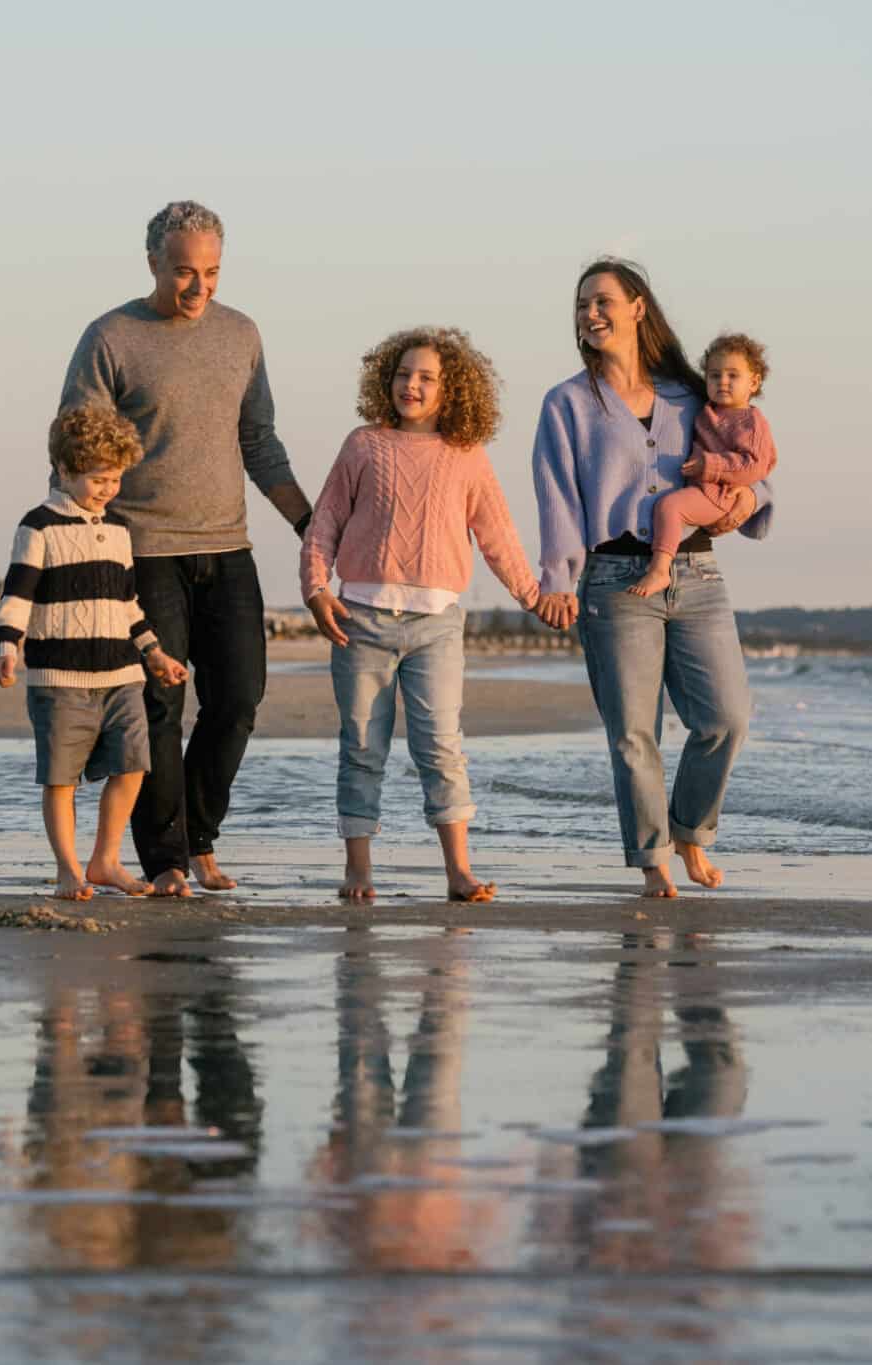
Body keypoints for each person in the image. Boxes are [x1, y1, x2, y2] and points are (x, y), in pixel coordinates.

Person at [59, 200, 313, 898]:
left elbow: (259, 441)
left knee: (239, 697)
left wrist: (308, 522)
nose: (198, 288)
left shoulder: (242, 336)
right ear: (152, 264)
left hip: (228, 547)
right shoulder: (111, 336)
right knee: (161, 708)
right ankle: (165, 859)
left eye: (211, 272)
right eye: (183, 273)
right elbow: (74, 449)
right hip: (142, 552)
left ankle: (200, 834)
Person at [531, 260, 774, 898]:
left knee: (727, 717)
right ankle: (652, 860)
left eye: (604, 301)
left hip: (697, 572)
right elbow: (555, 496)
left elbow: (748, 460)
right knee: (635, 734)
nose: (591, 313)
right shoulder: (567, 404)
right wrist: (557, 578)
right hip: (613, 582)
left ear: (638, 308)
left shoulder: (690, 393)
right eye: (583, 304)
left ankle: (690, 828)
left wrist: (752, 502)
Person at [301, 327, 552, 904]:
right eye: (403, 374)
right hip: (359, 618)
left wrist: (532, 595)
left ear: (452, 389)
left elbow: (498, 535)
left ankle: (459, 872)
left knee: (440, 745)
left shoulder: (466, 455)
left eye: (426, 377)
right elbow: (326, 523)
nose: (411, 385)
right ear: (385, 380)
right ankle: (359, 870)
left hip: (436, 626)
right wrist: (316, 589)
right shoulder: (363, 444)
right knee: (362, 747)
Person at [0, 405, 190, 901]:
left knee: (133, 766)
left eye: (116, 479)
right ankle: (68, 870)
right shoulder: (38, 527)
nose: (107, 488)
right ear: (65, 470)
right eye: (98, 478)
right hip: (59, 680)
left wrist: (155, 654)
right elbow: (17, 596)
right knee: (62, 779)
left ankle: (106, 859)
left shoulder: (119, 534)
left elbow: (128, 606)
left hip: (122, 677)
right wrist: (6, 647)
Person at [627, 333, 777, 598]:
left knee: (670, 507)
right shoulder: (708, 410)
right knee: (671, 510)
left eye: (733, 376)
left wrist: (710, 466)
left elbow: (755, 465)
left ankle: (660, 569)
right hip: (705, 489)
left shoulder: (750, 422)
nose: (723, 382)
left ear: (754, 382)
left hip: (720, 493)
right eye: (715, 376)